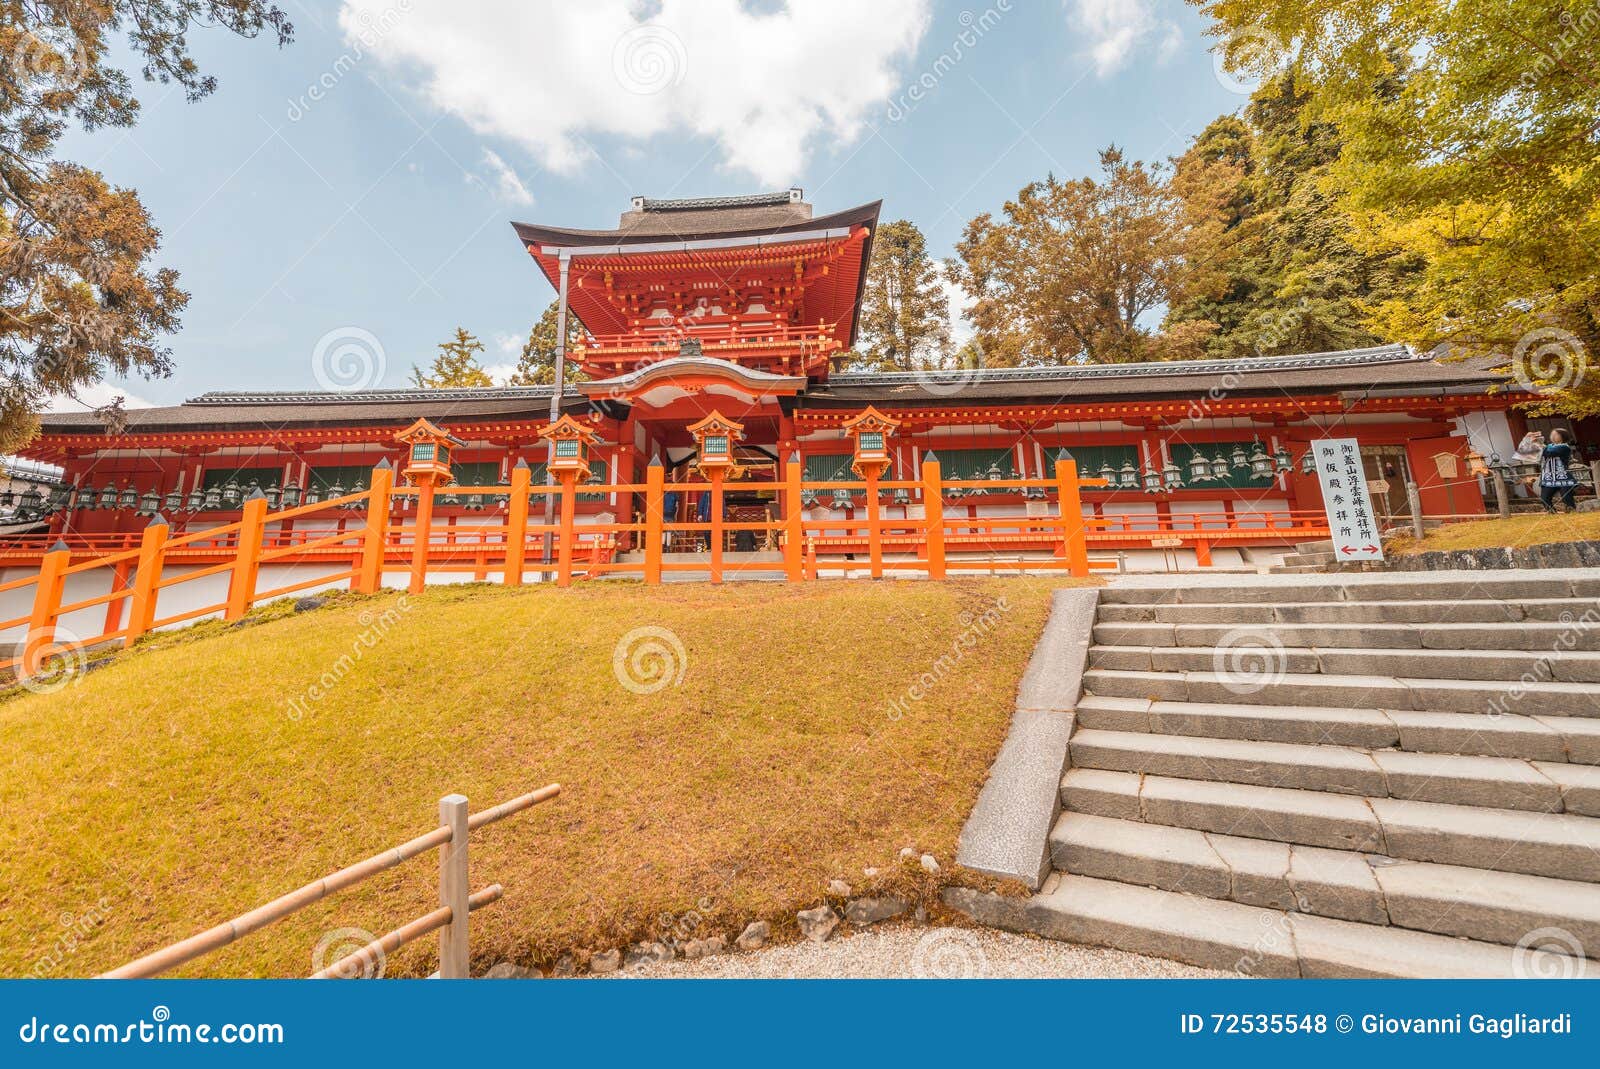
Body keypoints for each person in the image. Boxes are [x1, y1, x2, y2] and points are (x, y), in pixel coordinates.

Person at [1538, 429, 1580, 512]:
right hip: (1548, 477)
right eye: (1552, 434)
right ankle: (1551, 512)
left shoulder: (1565, 447)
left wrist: (1541, 445)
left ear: (1563, 436)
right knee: (1544, 498)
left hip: (1563, 477)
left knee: (1566, 497)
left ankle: (1571, 511)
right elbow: (1541, 454)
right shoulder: (1548, 446)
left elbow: (1549, 453)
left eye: (1556, 434)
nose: (1553, 436)